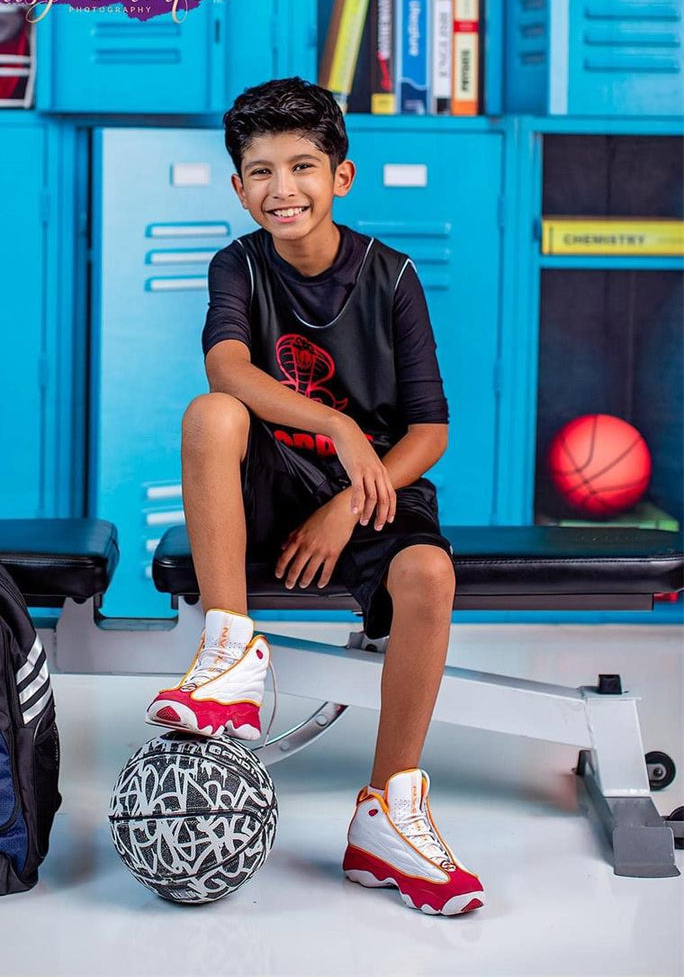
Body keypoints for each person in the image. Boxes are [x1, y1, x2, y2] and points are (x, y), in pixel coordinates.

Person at [145, 77, 484, 916]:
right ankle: (230, 652)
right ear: (238, 187)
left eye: (302, 166)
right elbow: (228, 368)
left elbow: (431, 431)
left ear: (342, 176)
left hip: (368, 491)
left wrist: (350, 494)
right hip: (273, 482)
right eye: (259, 172)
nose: (281, 189)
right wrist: (335, 428)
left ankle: (387, 813)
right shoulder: (238, 265)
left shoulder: (392, 276)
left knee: (430, 580)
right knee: (213, 412)